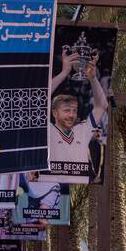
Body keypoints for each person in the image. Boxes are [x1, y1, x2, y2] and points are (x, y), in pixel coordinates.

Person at [47, 48, 108, 181]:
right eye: (67, 110)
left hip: (80, 186)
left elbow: (101, 106)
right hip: (51, 186)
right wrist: (64, 72)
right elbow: (38, 98)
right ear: (55, 113)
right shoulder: (47, 130)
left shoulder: (82, 130)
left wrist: (92, 78)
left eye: (74, 111)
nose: (71, 115)